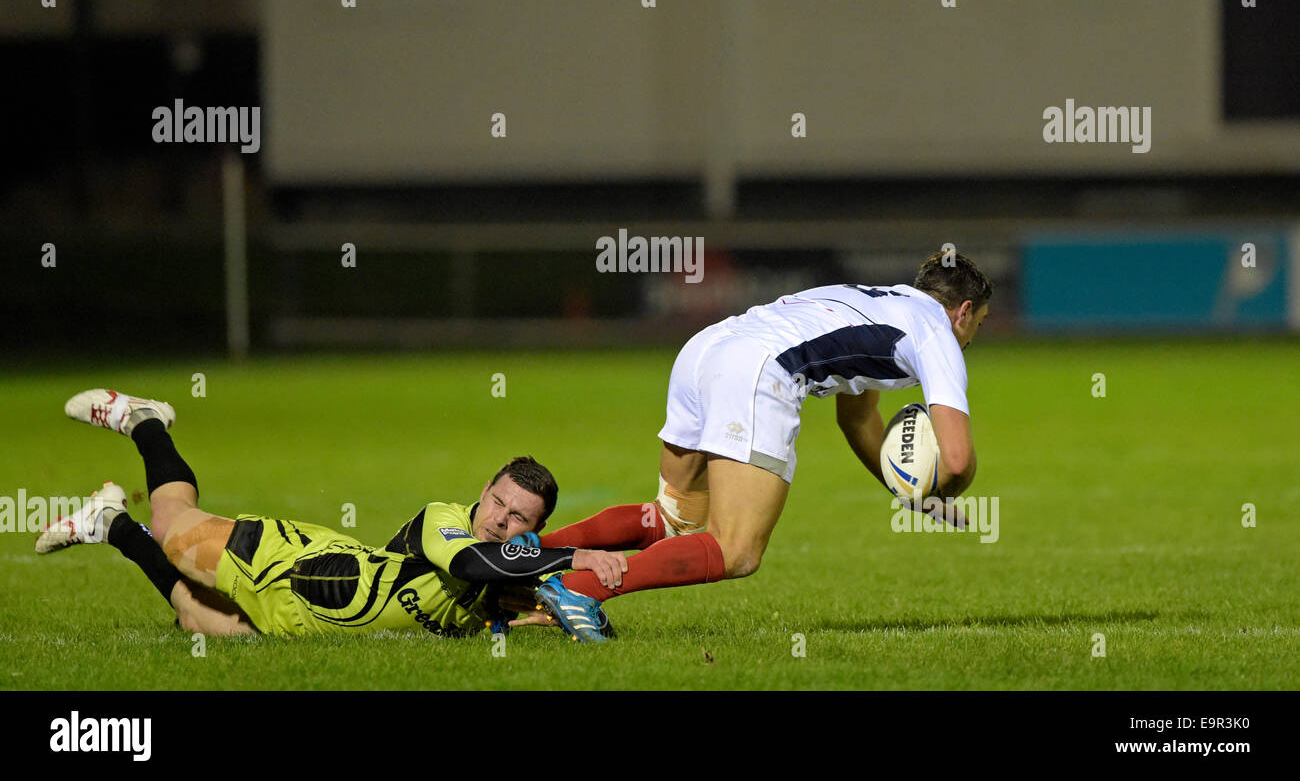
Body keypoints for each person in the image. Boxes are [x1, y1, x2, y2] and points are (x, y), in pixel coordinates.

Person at [529, 250, 992, 642]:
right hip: (757, 371)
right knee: (737, 551)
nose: (972, 337)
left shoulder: (875, 302)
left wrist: (910, 491)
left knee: (673, 518)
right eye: (979, 324)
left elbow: (858, 417)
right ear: (963, 311)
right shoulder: (937, 331)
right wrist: (946, 486)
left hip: (707, 348)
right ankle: (578, 589)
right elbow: (956, 459)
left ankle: (520, 560)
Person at [38, 389, 625, 640]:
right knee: (170, 528)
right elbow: (473, 564)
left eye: (519, 517)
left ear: (533, 529)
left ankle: (110, 521)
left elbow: (505, 594)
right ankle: (145, 421)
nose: (500, 519)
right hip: (287, 565)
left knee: (193, 619)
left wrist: (560, 611)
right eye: (497, 501)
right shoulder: (444, 523)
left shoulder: (504, 579)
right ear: (483, 491)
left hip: (297, 624)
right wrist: (577, 555)